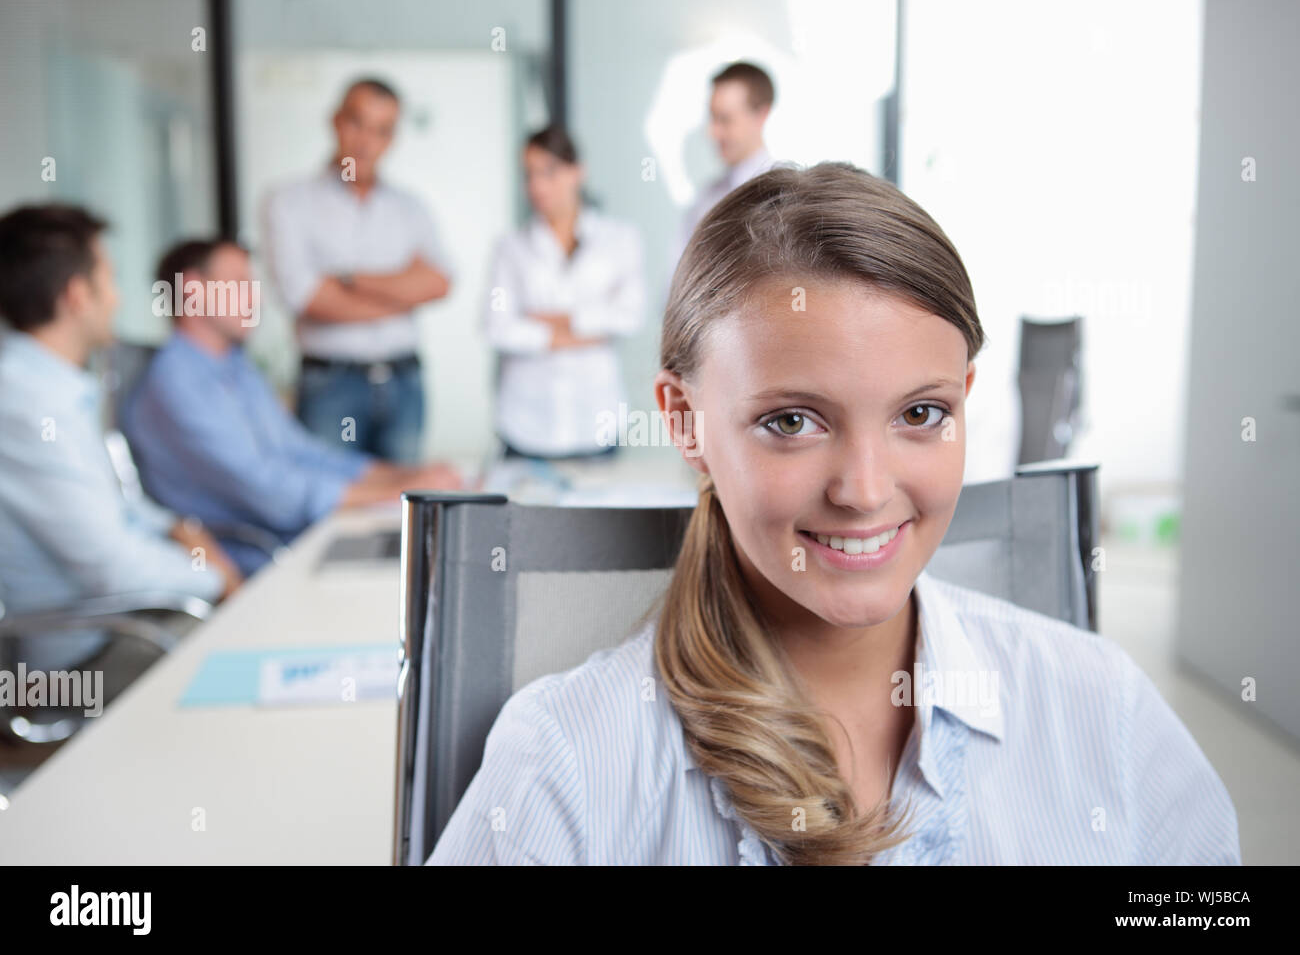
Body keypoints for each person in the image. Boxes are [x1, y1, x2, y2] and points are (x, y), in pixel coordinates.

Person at [429, 163, 1240, 865]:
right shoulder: (564, 765)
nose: (863, 488)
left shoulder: (1103, 707)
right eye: (792, 422)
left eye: (920, 415)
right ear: (684, 422)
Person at [123, 238, 462, 577]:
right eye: (241, 284)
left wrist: (405, 476)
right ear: (193, 291)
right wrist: (400, 492)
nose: (255, 299)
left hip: (294, 544)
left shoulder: (235, 367)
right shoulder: (177, 383)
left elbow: (299, 451)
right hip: (256, 563)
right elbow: (268, 490)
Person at [0, 205, 239, 675]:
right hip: (80, 660)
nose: (117, 299)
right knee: (240, 658)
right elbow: (112, 566)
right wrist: (218, 579)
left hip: (123, 623)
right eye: (107, 280)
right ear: (75, 295)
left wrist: (178, 528)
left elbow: (112, 507)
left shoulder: (49, 385)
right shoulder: (24, 405)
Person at [262, 77, 455, 464]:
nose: (366, 141)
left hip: (405, 383)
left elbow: (439, 283)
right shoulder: (288, 202)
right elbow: (307, 298)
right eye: (357, 123)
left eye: (382, 130)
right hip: (330, 385)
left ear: (393, 138)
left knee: (404, 509)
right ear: (336, 121)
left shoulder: (410, 208)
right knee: (331, 500)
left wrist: (349, 280)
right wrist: (402, 293)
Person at [483, 125, 645, 459]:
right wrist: (592, 330)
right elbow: (497, 328)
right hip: (525, 424)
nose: (537, 186)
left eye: (549, 172)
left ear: (577, 171)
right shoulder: (510, 248)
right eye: (529, 175)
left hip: (596, 422)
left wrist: (547, 322)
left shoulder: (620, 239)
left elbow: (630, 316)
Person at [670, 61, 777, 271]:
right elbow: (676, 279)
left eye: (725, 120)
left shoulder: (784, 196)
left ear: (761, 116)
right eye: (712, 118)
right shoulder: (704, 200)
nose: (712, 132)